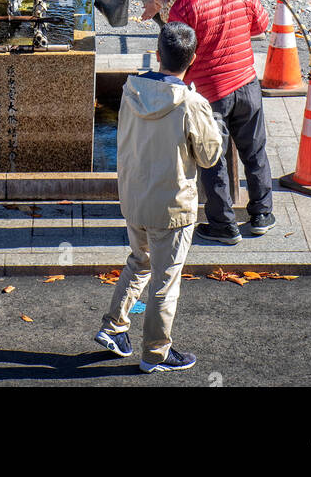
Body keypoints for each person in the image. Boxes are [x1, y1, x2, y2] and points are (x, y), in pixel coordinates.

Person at [94, 21, 222, 373]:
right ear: (193, 58)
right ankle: (156, 353)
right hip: (172, 205)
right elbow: (210, 156)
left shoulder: (130, 90)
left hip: (134, 198)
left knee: (139, 261)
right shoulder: (191, 103)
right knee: (165, 282)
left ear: (156, 54)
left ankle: (114, 327)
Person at [166, 0, 273, 244]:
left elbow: (176, 56)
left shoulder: (184, 6)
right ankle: (262, 215)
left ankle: (224, 226)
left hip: (210, 94)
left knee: (212, 158)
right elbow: (260, 26)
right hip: (247, 83)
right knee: (255, 151)